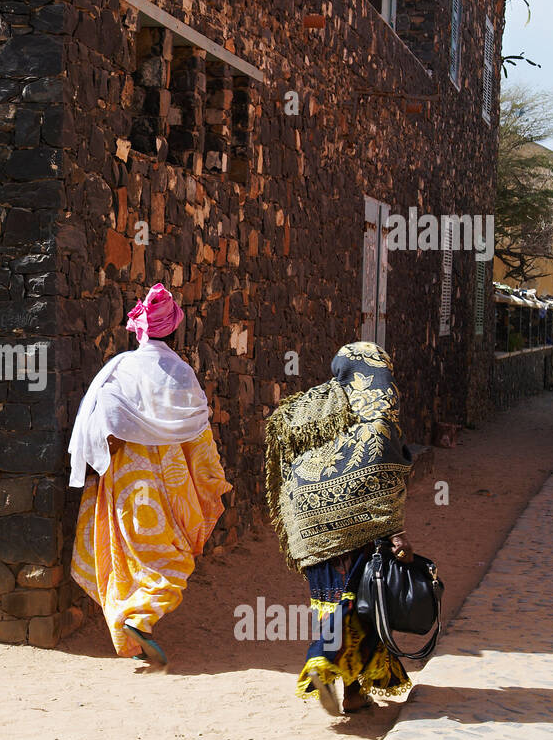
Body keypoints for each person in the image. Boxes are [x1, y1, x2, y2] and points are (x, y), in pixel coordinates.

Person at [67, 284, 233, 665]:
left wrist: (103, 468)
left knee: (126, 554)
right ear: (174, 332)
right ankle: (139, 619)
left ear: (140, 329)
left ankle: (130, 618)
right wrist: (210, 480)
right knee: (172, 558)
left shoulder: (118, 369)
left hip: (124, 479)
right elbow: (197, 436)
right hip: (167, 482)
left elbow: (102, 423)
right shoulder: (181, 374)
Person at [264, 341, 415, 715]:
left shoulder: (314, 407)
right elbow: (384, 479)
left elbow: (283, 459)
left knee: (331, 604)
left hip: (314, 529)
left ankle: (346, 685)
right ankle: (327, 666)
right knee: (360, 606)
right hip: (361, 534)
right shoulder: (380, 414)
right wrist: (395, 532)